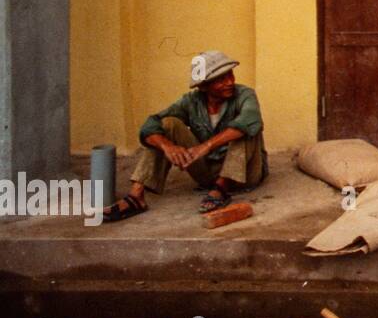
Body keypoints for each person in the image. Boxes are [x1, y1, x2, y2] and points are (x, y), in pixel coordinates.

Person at [102, 50, 268, 221]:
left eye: (230, 75)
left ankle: (221, 188)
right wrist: (167, 146)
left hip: (245, 173)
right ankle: (136, 196)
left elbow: (251, 119)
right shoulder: (191, 101)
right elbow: (151, 124)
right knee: (166, 125)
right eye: (220, 79)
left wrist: (206, 146)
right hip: (207, 172)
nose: (229, 82)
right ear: (203, 86)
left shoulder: (245, 94)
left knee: (246, 128)